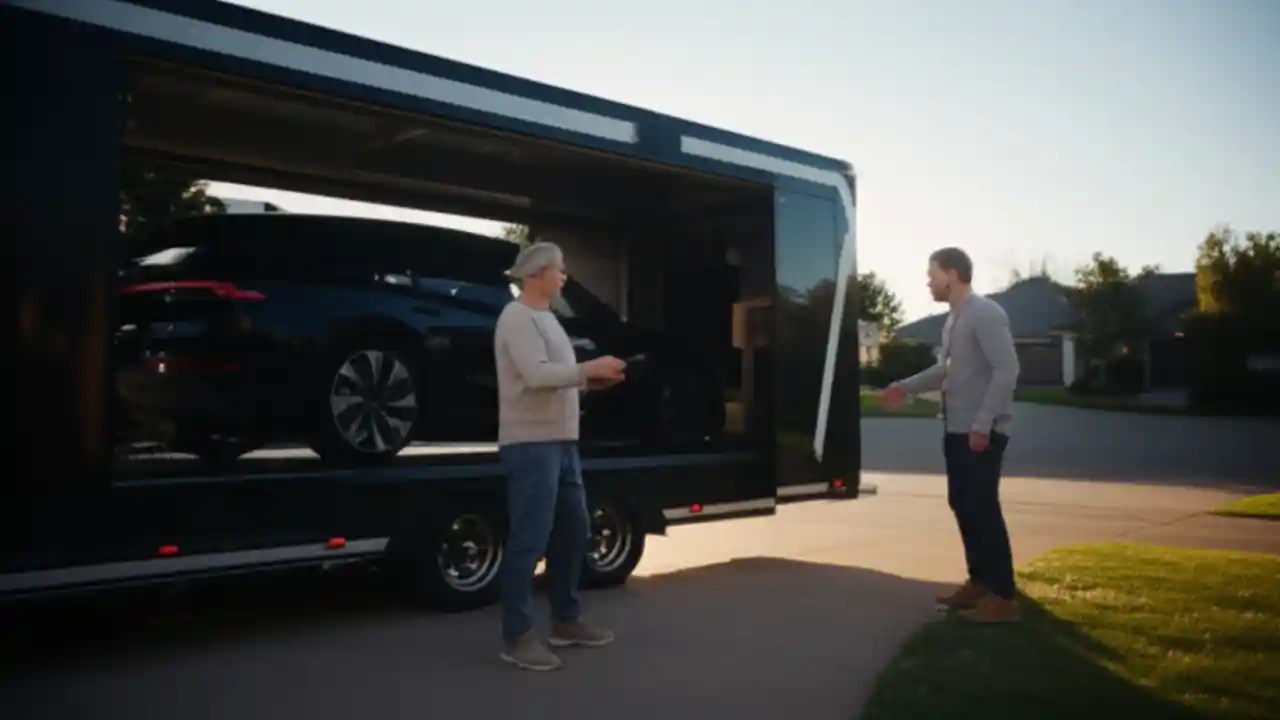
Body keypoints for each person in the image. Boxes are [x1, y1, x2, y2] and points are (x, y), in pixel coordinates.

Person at [493, 241, 628, 670]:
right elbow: (535, 375)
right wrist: (587, 370)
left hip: (564, 441)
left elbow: (557, 378)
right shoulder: (516, 317)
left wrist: (590, 382)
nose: (565, 275)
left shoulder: (548, 318)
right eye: (560, 269)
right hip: (531, 444)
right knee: (530, 539)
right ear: (536, 274)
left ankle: (566, 621)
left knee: (574, 530)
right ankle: (517, 636)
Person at [882, 247, 1021, 623]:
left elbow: (1007, 370)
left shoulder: (985, 313)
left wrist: (982, 424)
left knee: (983, 509)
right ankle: (980, 582)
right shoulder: (953, 320)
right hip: (957, 430)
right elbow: (946, 370)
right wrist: (904, 387)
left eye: (933, 274)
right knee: (962, 504)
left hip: (980, 432)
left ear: (953, 274)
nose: (928, 282)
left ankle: (1004, 599)